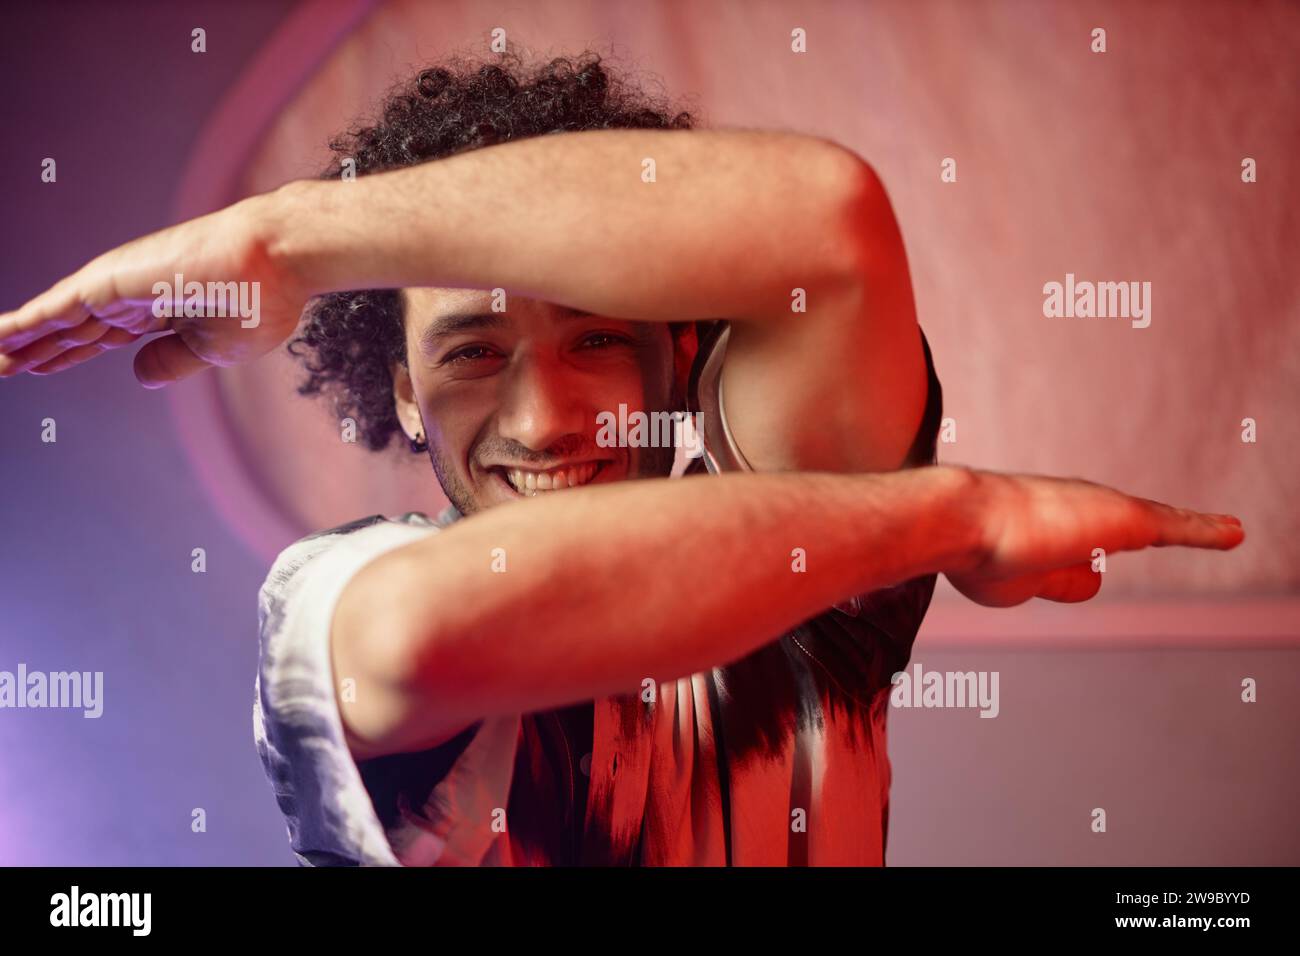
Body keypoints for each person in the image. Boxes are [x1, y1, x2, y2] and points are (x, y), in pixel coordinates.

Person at [0, 53, 1244, 866]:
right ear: (400, 389)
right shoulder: (328, 591)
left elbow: (829, 225)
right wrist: (954, 515)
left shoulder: (813, 581)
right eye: (474, 348)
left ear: (682, 355)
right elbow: (418, 637)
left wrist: (290, 240)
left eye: (595, 339)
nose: (541, 417)